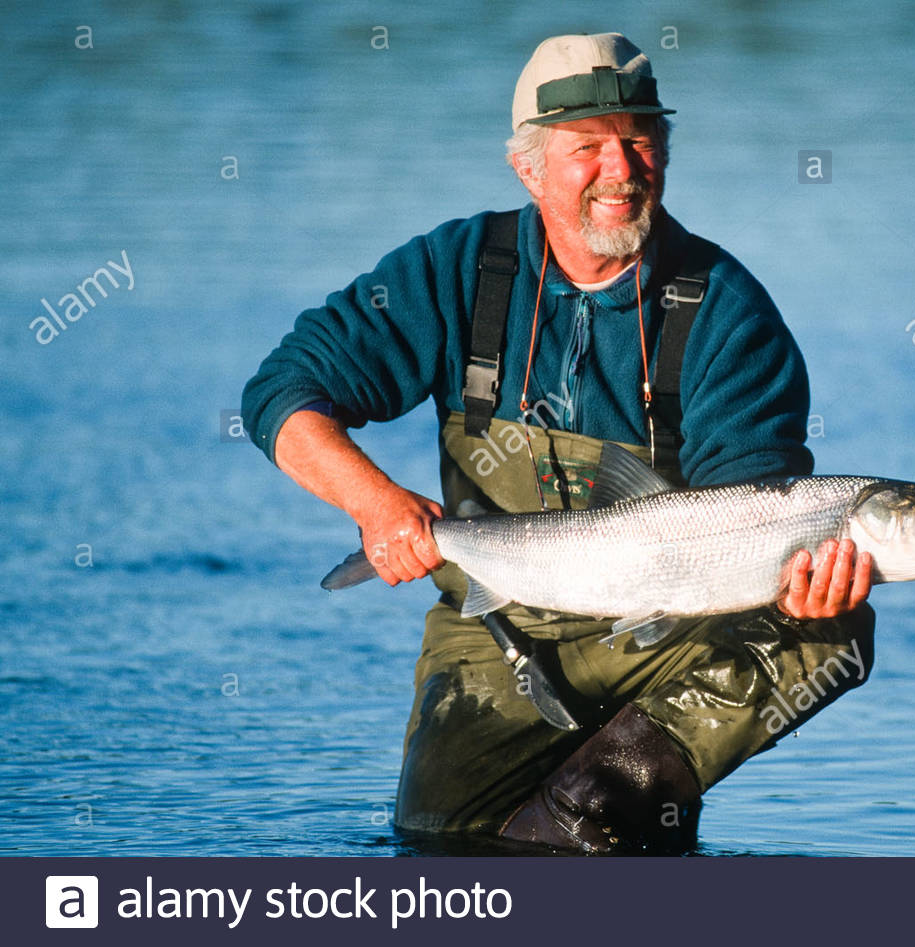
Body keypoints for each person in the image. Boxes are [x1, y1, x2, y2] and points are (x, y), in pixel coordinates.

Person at [242, 32, 876, 853]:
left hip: (674, 622)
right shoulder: (457, 269)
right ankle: (598, 828)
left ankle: (601, 801)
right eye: (588, 148)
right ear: (528, 168)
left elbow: (755, 503)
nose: (620, 169)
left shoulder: (729, 311)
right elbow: (281, 394)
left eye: (640, 141)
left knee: (830, 632)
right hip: (498, 628)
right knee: (436, 846)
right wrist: (378, 504)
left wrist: (798, 586)